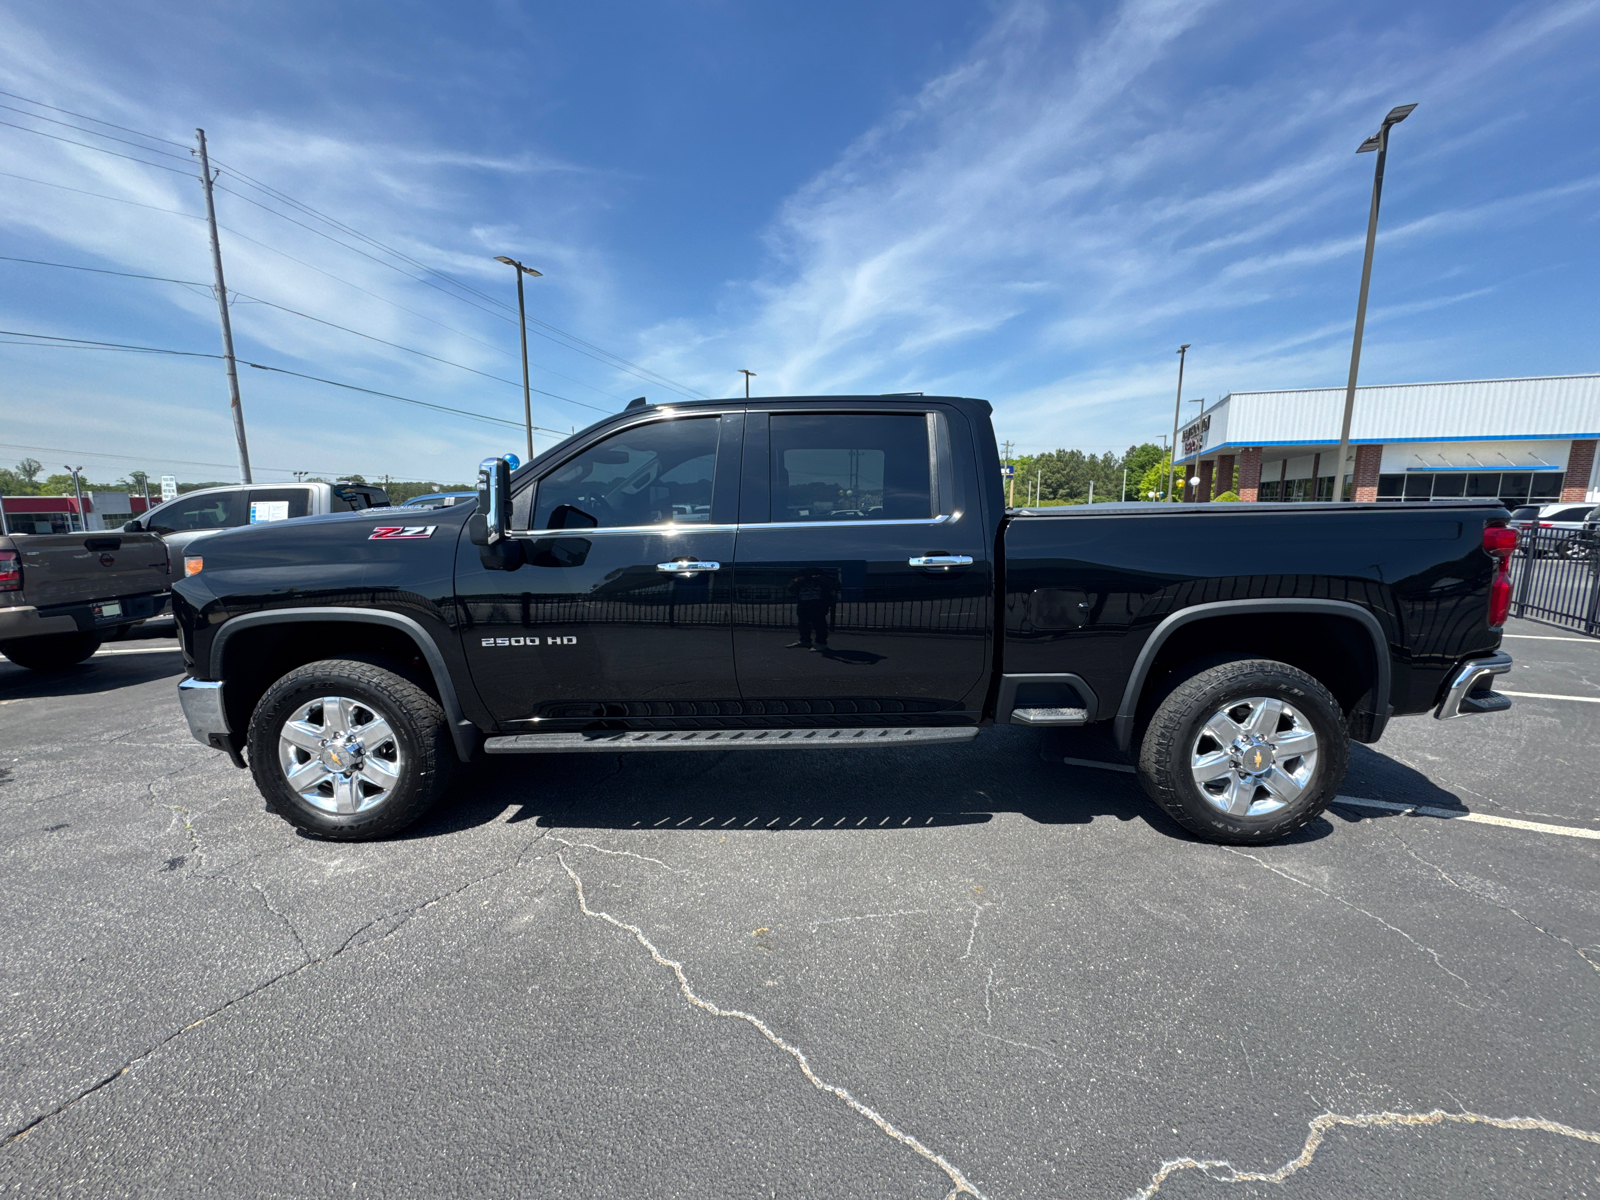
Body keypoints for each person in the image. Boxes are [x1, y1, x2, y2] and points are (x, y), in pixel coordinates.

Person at [786, 569, 838, 651]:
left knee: (819, 623)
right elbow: (790, 588)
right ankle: (805, 640)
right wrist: (796, 581)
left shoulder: (823, 579)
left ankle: (821, 643)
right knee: (803, 622)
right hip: (803, 603)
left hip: (819, 603)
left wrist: (823, 579)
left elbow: (835, 587)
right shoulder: (799, 580)